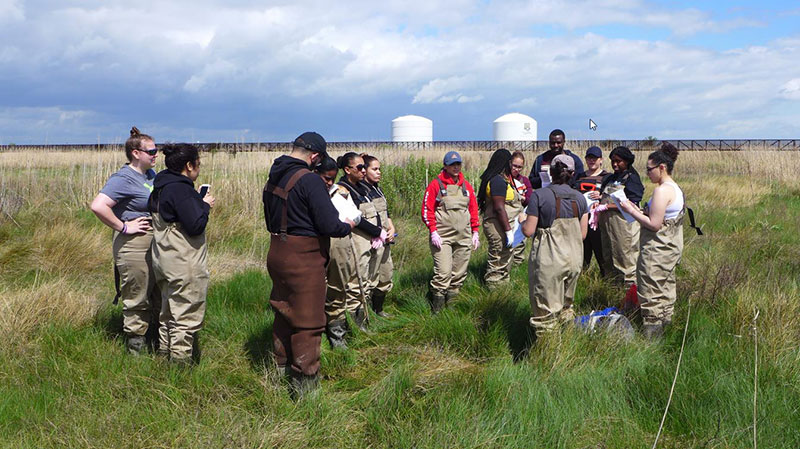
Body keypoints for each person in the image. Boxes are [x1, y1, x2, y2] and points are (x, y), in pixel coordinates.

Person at [263, 132, 355, 396]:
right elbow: (329, 225)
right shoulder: (309, 180)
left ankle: (278, 372)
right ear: (314, 156)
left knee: (283, 312)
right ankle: (305, 387)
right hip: (303, 258)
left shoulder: (275, 174)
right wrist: (346, 225)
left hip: (277, 252)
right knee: (309, 321)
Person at [90, 127, 160, 354]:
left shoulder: (151, 175)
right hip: (133, 245)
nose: (156, 154)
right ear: (136, 153)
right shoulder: (123, 178)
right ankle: (136, 348)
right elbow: (98, 206)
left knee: (156, 292)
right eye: (151, 151)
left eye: (156, 150)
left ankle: (156, 340)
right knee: (136, 293)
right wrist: (124, 227)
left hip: (154, 242)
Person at [148, 143, 214, 365]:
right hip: (183, 261)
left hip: (163, 260)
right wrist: (204, 205)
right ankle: (180, 365)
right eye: (198, 164)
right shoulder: (181, 190)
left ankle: (164, 356)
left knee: (167, 312)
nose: (199, 168)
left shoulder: (161, 185)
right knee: (185, 315)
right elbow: (195, 225)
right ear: (189, 165)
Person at [619, 143, 685, 339]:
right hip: (670, 250)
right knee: (665, 290)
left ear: (662, 167)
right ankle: (666, 331)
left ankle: (652, 340)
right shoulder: (675, 188)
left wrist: (631, 211)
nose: (647, 173)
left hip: (657, 251)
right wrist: (640, 210)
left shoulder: (662, 191)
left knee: (651, 293)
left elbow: (655, 224)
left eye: (650, 169)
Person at [522, 155, 589, 337]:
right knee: (567, 307)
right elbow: (582, 235)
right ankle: (567, 342)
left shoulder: (539, 196)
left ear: (550, 173)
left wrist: (521, 220)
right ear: (573, 174)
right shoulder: (581, 199)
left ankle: (548, 355)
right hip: (574, 260)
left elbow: (528, 231)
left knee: (545, 313)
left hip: (549, 261)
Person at [324, 152, 387, 342]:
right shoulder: (343, 190)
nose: (363, 170)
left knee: (366, 282)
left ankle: (363, 320)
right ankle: (353, 327)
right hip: (355, 241)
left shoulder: (364, 188)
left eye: (363, 167)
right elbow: (353, 218)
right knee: (355, 284)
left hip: (369, 239)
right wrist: (376, 231)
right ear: (347, 170)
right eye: (359, 167)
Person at [421, 151, 480, 313]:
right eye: (452, 164)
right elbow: (427, 210)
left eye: (458, 164)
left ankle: (452, 308)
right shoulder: (436, 185)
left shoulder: (466, 186)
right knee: (443, 273)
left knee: (459, 273)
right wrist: (433, 231)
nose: (456, 167)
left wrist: (475, 231)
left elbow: (473, 209)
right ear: (445, 166)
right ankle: (437, 310)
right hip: (442, 237)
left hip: (464, 236)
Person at [595, 146, 644, 286]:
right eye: (612, 161)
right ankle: (612, 291)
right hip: (607, 226)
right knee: (609, 258)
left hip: (625, 227)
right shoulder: (610, 178)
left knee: (625, 259)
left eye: (619, 161)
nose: (615, 164)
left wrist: (608, 206)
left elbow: (634, 203)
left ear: (627, 161)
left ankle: (630, 294)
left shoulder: (632, 178)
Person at [478, 149, 525, 286]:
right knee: (498, 258)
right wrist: (508, 231)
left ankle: (503, 286)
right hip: (498, 226)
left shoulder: (501, 179)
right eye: (510, 162)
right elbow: (499, 207)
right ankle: (494, 287)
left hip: (501, 225)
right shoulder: (497, 181)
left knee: (504, 257)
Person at [361, 153, 396, 317]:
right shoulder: (359, 191)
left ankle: (378, 310)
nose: (379, 172)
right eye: (374, 169)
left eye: (379, 169)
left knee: (386, 275)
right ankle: (366, 315)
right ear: (364, 170)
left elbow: (386, 213)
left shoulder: (378, 189)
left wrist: (391, 228)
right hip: (370, 242)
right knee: (369, 278)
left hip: (385, 242)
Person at [576, 146, 610, 273]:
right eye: (589, 158)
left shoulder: (608, 177)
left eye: (595, 158)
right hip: (582, 221)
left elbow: (614, 197)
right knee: (583, 254)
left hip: (600, 223)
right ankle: (582, 279)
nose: (592, 161)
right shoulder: (579, 177)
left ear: (601, 160)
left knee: (602, 255)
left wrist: (601, 196)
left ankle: (606, 278)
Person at [510, 151, 533, 266]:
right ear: (510, 163)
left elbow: (530, 198)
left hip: (520, 217)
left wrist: (522, 197)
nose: (517, 169)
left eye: (520, 167)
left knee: (519, 246)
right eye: (515, 166)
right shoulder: (504, 179)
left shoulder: (524, 181)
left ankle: (516, 268)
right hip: (507, 216)